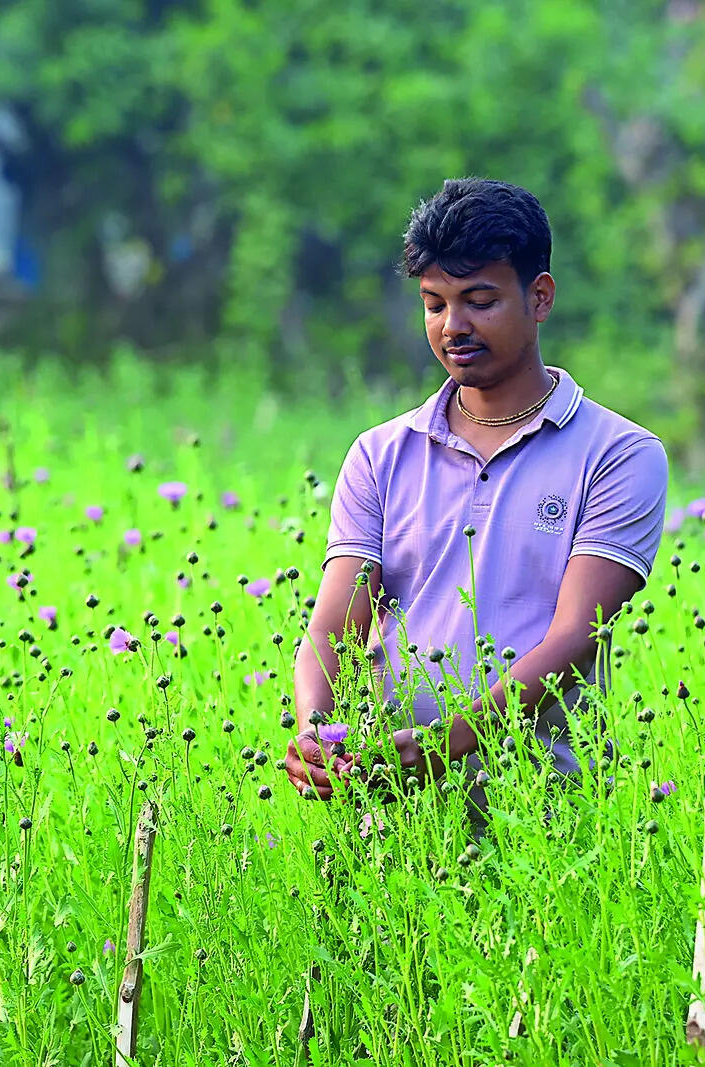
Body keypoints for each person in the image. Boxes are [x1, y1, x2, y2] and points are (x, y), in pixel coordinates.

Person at [284, 178, 669, 834]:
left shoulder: (618, 454)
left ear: (539, 297)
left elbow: (576, 638)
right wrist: (318, 728)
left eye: (479, 300)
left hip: (544, 813)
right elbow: (333, 628)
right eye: (434, 303)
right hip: (391, 813)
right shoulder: (381, 454)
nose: (452, 326)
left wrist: (448, 743)